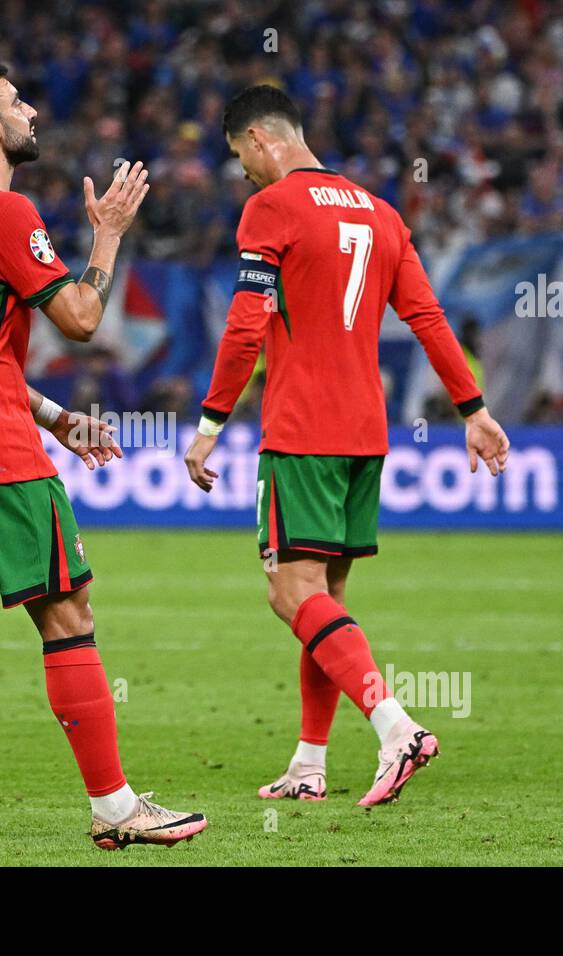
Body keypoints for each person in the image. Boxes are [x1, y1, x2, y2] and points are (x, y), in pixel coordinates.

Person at [0, 60, 207, 858]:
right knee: (68, 616)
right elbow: (84, 318)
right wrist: (110, 235)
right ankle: (116, 806)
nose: (28, 113)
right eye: (15, 103)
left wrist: (57, 416)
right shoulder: (2, 210)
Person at [184, 86, 510, 808]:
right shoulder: (383, 213)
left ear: (263, 141)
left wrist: (210, 424)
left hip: (301, 432)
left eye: (242, 157)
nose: (244, 174)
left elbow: (245, 325)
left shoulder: (271, 209)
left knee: (288, 592)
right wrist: (474, 409)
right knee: (324, 599)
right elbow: (425, 314)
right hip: (365, 434)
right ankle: (309, 761)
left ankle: (395, 728)